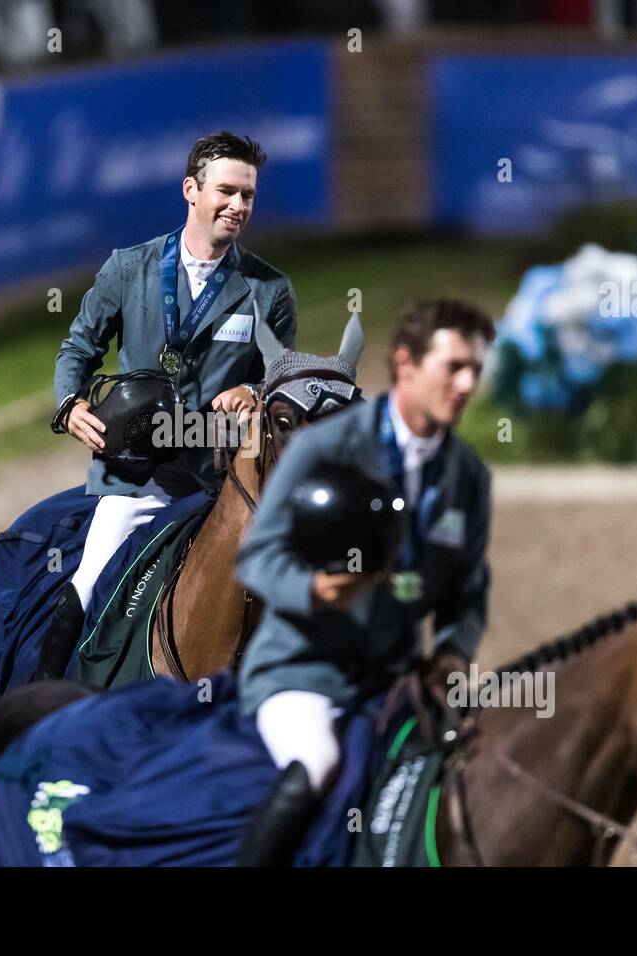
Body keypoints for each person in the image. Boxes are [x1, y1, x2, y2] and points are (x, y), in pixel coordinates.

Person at [233, 298, 496, 865]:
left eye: (476, 369)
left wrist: (453, 649)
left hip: (397, 679)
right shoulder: (323, 447)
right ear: (405, 364)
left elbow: (468, 591)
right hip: (303, 672)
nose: (468, 383)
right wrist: (311, 591)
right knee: (318, 761)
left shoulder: (468, 475)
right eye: (455, 367)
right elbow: (256, 557)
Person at [36, 131, 298, 679]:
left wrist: (253, 392)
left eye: (248, 195)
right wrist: (68, 404)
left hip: (218, 481)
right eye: (226, 191)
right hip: (138, 479)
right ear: (190, 190)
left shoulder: (270, 291)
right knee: (83, 591)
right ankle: (39, 712)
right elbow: (78, 347)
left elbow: (279, 385)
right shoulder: (128, 268)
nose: (238, 206)